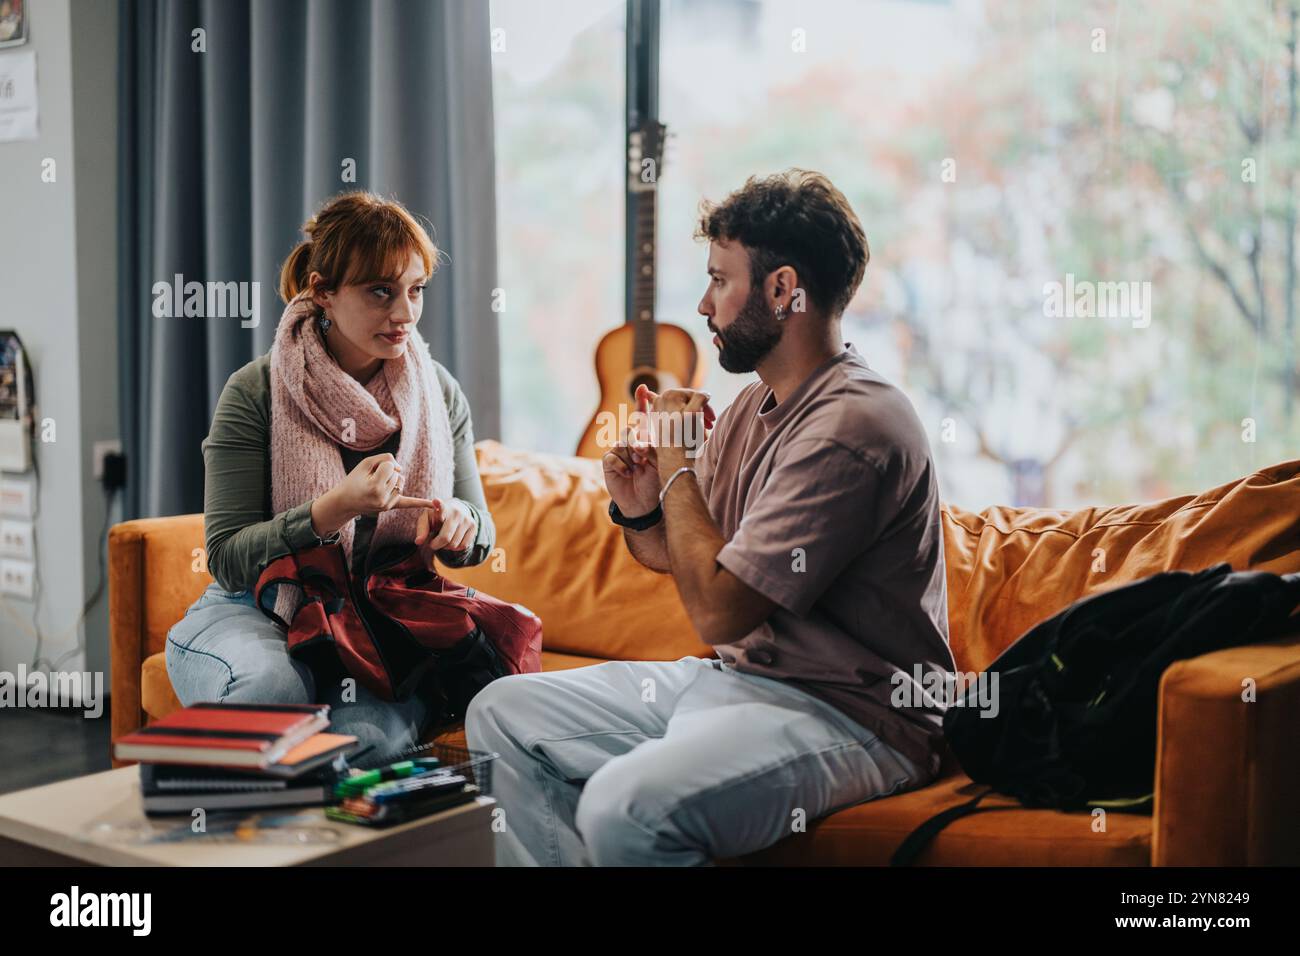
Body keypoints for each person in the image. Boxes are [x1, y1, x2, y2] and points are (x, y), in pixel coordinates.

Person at [466, 169, 956, 865]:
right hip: (744, 683)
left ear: (784, 290)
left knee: (623, 808)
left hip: (857, 714)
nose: (703, 304)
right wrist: (642, 515)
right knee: (501, 714)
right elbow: (696, 559)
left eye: (720, 281)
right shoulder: (753, 409)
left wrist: (676, 464)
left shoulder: (854, 426)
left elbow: (721, 611)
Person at [165, 191, 495, 763]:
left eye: (415, 290)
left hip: (376, 620)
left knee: (366, 746)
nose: (405, 315)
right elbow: (227, 558)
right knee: (272, 691)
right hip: (255, 606)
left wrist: (464, 525)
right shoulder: (256, 389)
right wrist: (331, 510)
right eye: (380, 292)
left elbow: (481, 534)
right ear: (322, 291)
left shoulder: (437, 392)